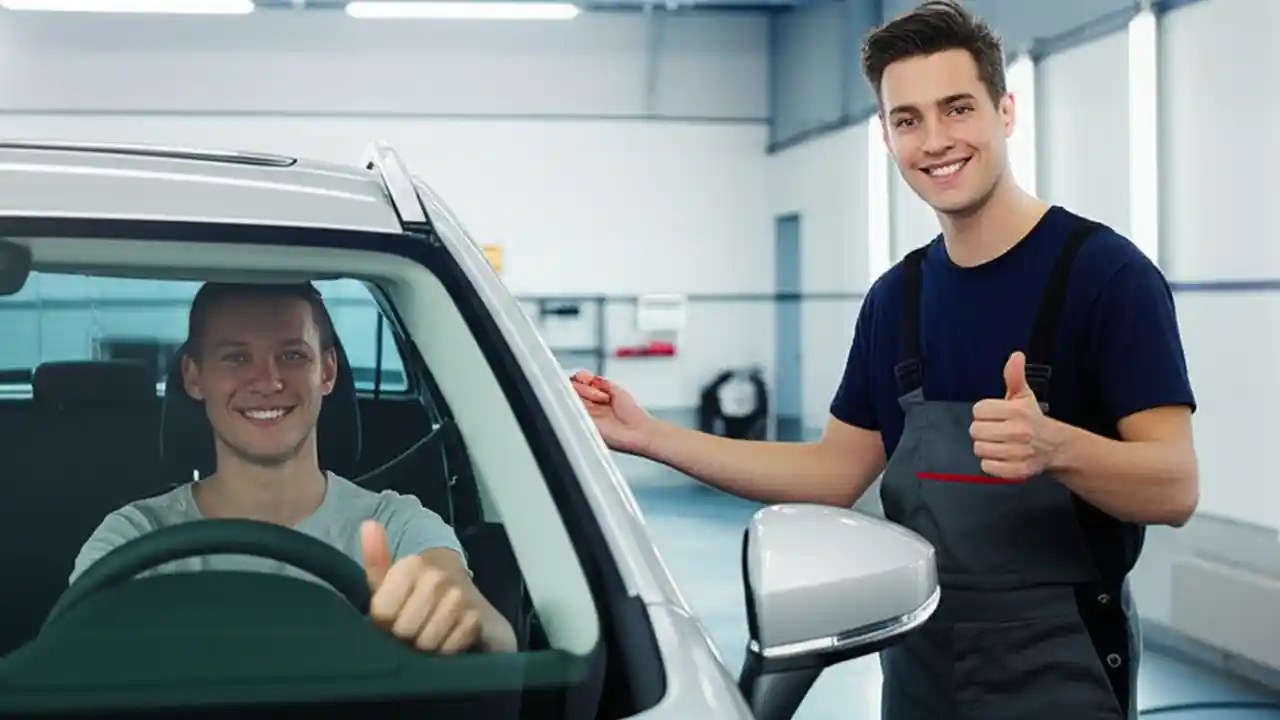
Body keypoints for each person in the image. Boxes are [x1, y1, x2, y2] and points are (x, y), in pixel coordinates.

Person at [571, 1, 1198, 718]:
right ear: (886, 134)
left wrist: (1058, 447)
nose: (935, 140)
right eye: (908, 120)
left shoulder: (1106, 277)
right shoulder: (895, 300)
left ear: (1005, 111)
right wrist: (651, 437)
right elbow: (833, 472)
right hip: (919, 675)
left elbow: (1174, 485)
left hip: (1063, 674)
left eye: (957, 108)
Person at [71, 282, 517, 655]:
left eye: (292, 356)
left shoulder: (393, 525)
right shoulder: (135, 538)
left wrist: (451, 619)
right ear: (194, 377)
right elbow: (74, 667)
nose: (268, 381)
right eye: (236, 357)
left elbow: (490, 631)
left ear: (327, 371)